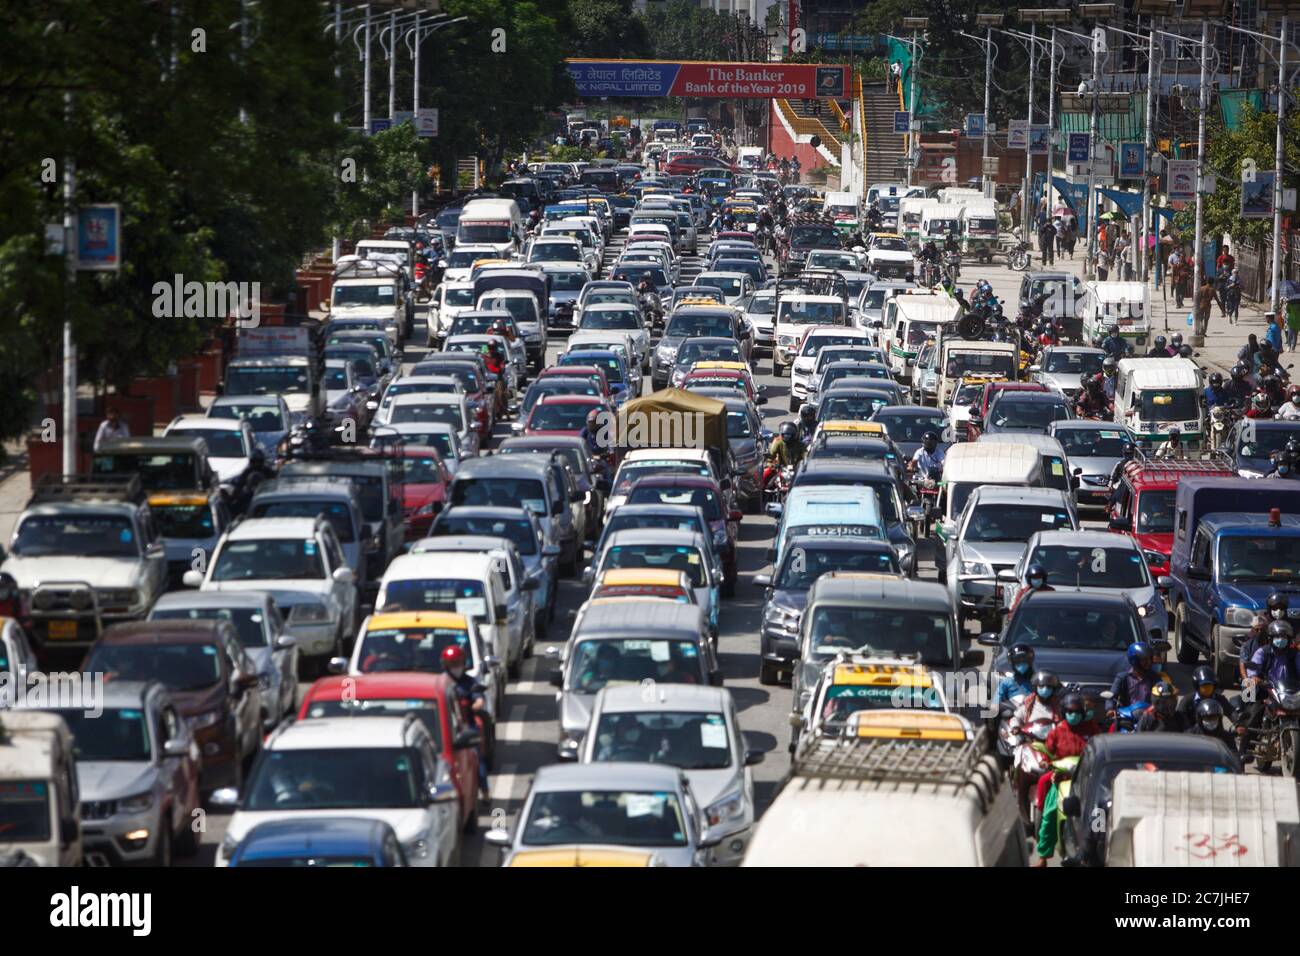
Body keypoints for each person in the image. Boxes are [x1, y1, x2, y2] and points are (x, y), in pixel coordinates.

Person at [1034, 689, 1100, 866]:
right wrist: (1045, 762)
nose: (1073, 715)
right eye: (1069, 712)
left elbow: (1099, 749)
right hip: (1062, 779)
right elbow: (1047, 752)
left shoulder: (1091, 728)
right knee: (1049, 816)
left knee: (1098, 814)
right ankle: (1043, 857)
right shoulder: (1057, 731)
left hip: (1086, 781)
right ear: (1064, 713)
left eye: (1076, 712)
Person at [1238, 620, 1300, 760]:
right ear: (1271, 638)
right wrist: (1254, 678)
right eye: (1278, 637)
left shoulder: (1294, 654)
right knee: (1253, 714)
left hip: (1289, 692)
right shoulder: (1262, 652)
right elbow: (1252, 668)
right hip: (1266, 690)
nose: (1280, 640)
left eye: (1284, 637)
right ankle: (1243, 751)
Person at [442, 644, 490, 800]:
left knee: (477, 758)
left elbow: (478, 699)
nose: (456, 667)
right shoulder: (442, 683)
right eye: (452, 664)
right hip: (446, 729)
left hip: (467, 728)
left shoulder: (470, 682)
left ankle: (485, 792)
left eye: (458, 663)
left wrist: (476, 704)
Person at [1108, 641, 1161, 713]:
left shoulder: (1155, 678)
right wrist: (1110, 708)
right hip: (1127, 718)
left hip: (1149, 717)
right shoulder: (1122, 677)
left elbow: (1162, 696)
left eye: (1149, 659)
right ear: (1134, 660)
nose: (1148, 662)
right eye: (1145, 660)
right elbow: (1112, 696)